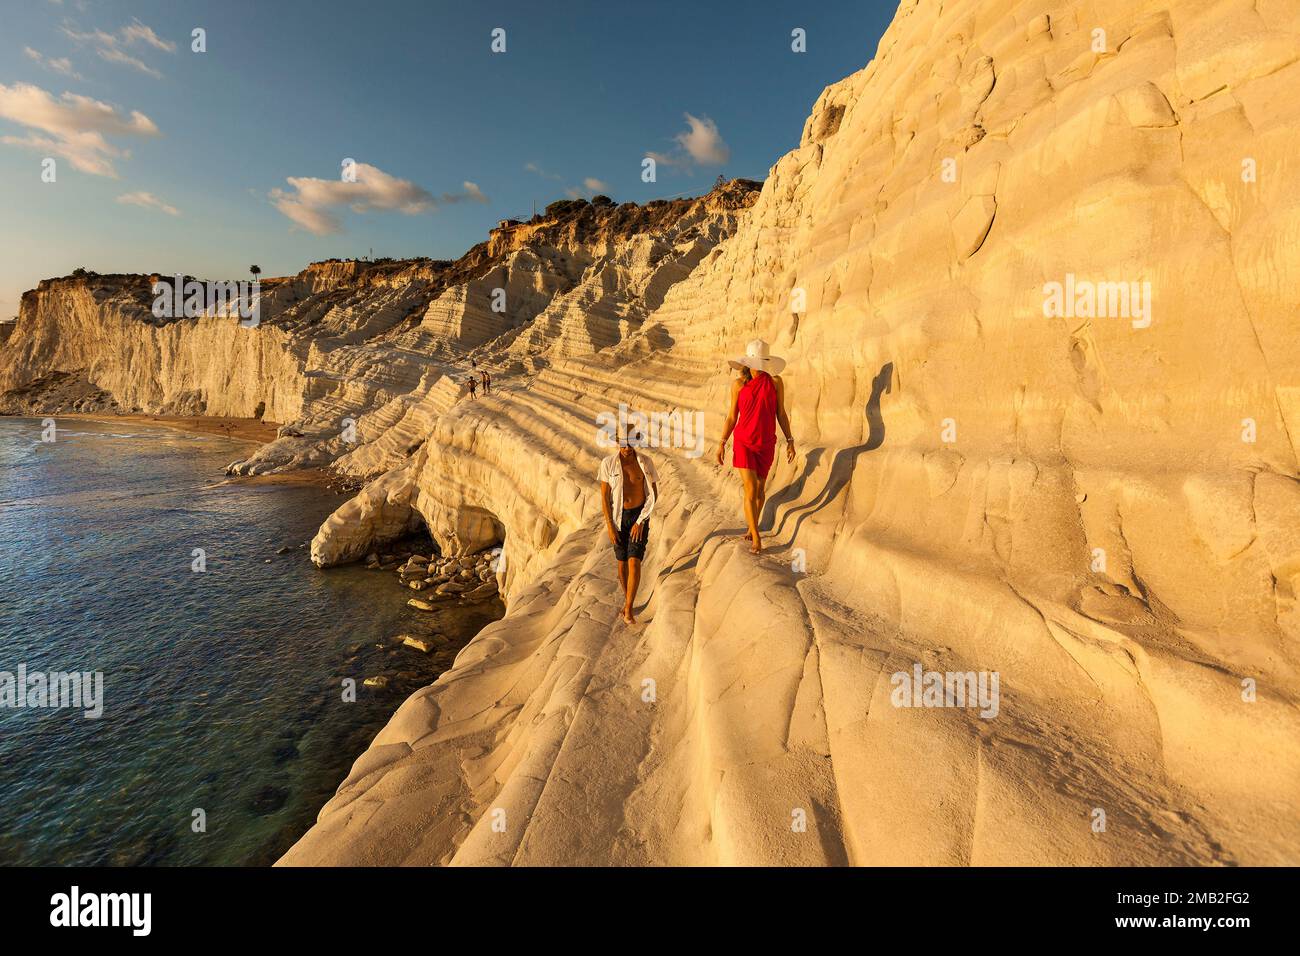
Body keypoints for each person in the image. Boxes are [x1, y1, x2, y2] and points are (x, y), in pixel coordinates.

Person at [716, 339, 794, 553]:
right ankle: (756, 537)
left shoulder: (776, 382)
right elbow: (732, 417)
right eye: (753, 361)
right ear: (747, 362)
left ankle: (752, 525)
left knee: (760, 491)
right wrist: (722, 442)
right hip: (744, 443)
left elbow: (781, 414)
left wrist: (790, 440)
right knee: (750, 489)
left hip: (766, 443)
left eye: (760, 361)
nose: (756, 365)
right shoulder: (738, 385)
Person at [599, 430, 659, 624]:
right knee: (622, 562)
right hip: (618, 518)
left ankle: (629, 608)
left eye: (630, 445)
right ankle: (627, 600)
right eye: (623, 445)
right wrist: (610, 526)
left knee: (634, 561)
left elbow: (653, 495)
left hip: (639, 516)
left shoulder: (645, 462)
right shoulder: (608, 463)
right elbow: (605, 498)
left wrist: (641, 520)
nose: (626, 449)